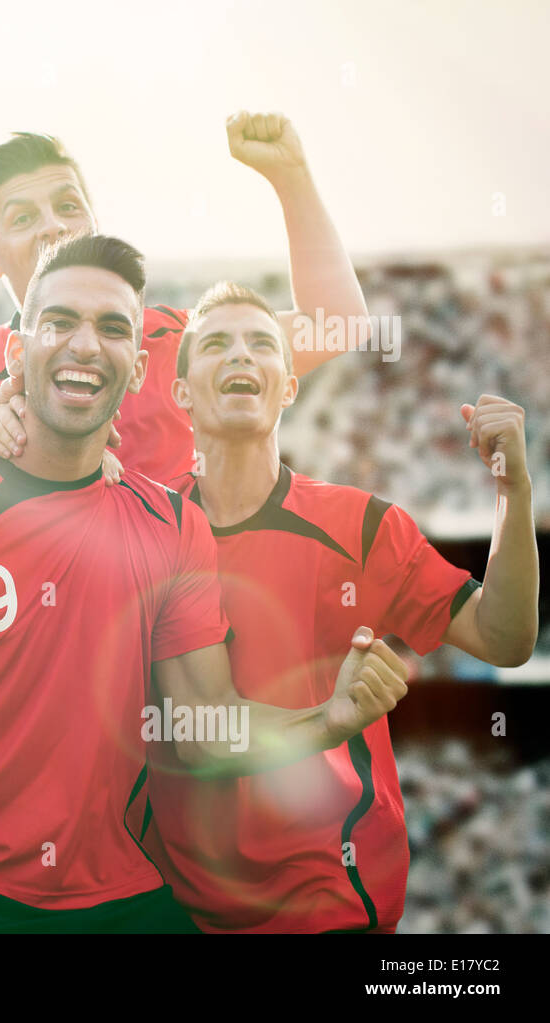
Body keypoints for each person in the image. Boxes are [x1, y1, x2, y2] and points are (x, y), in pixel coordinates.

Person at [0, 235, 409, 932]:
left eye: (111, 328)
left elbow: (202, 725)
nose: (84, 345)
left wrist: (329, 718)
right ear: (18, 354)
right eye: (60, 323)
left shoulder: (171, 525)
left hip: (128, 897)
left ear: (137, 369)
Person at [135, 281, 539, 932]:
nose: (241, 355)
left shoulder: (361, 525)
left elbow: (505, 637)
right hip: (179, 909)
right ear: (181, 392)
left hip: (329, 901)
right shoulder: (141, 526)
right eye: (216, 344)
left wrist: (513, 495)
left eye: (262, 343)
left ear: (288, 384)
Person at [0, 113, 369, 483]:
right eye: (23, 217)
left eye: (68, 206)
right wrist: (1, 408)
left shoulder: (173, 340)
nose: (52, 225)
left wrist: (290, 177)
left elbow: (335, 323)